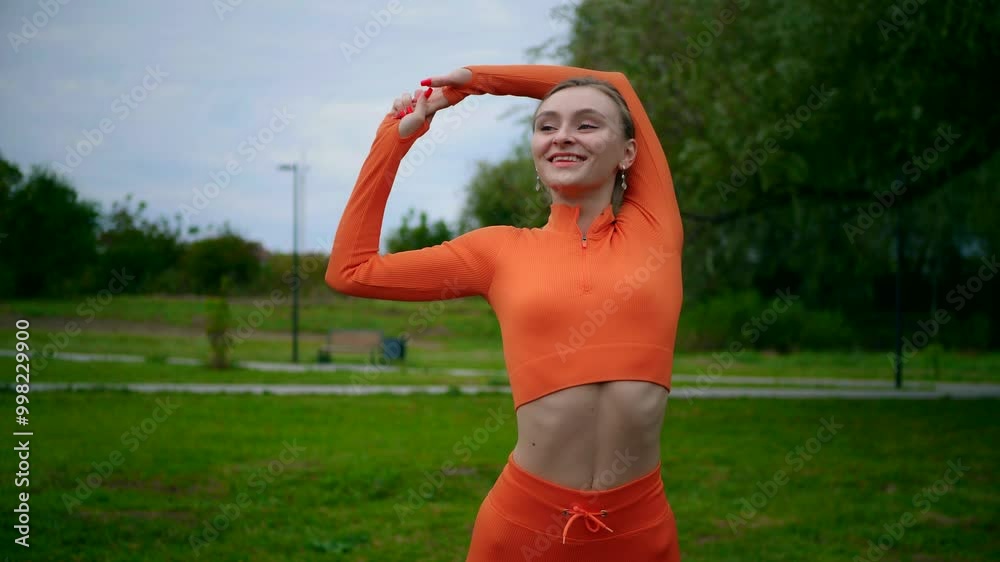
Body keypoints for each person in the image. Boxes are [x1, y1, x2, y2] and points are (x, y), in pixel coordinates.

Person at [326, 64, 683, 561]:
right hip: (522, 526)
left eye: (586, 123)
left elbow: (617, 84)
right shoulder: (496, 252)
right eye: (546, 125)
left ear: (628, 152)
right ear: (535, 151)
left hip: (639, 531)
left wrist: (476, 81)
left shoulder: (655, 230)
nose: (563, 136)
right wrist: (395, 138)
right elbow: (351, 270)